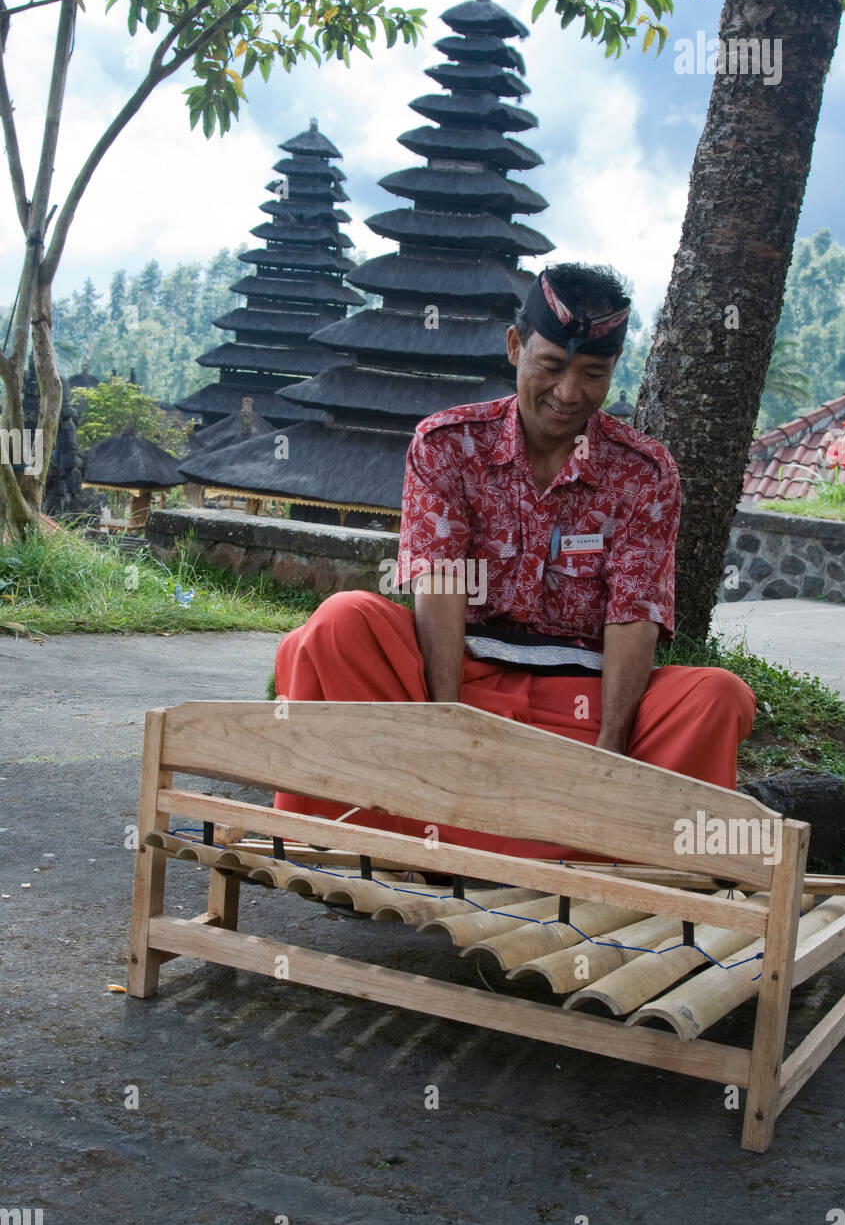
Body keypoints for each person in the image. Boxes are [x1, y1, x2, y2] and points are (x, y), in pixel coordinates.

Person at [273, 262, 756, 863]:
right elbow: (441, 584)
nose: (569, 392)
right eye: (551, 366)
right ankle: (411, 827)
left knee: (715, 696)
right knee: (340, 623)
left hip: (579, 709)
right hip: (451, 682)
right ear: (514, 347)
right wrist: (443, 722)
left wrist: (607, 754)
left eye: (593, 373)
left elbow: (635, 615)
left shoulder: (645, 473)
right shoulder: (447, 444)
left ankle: (581, 841)